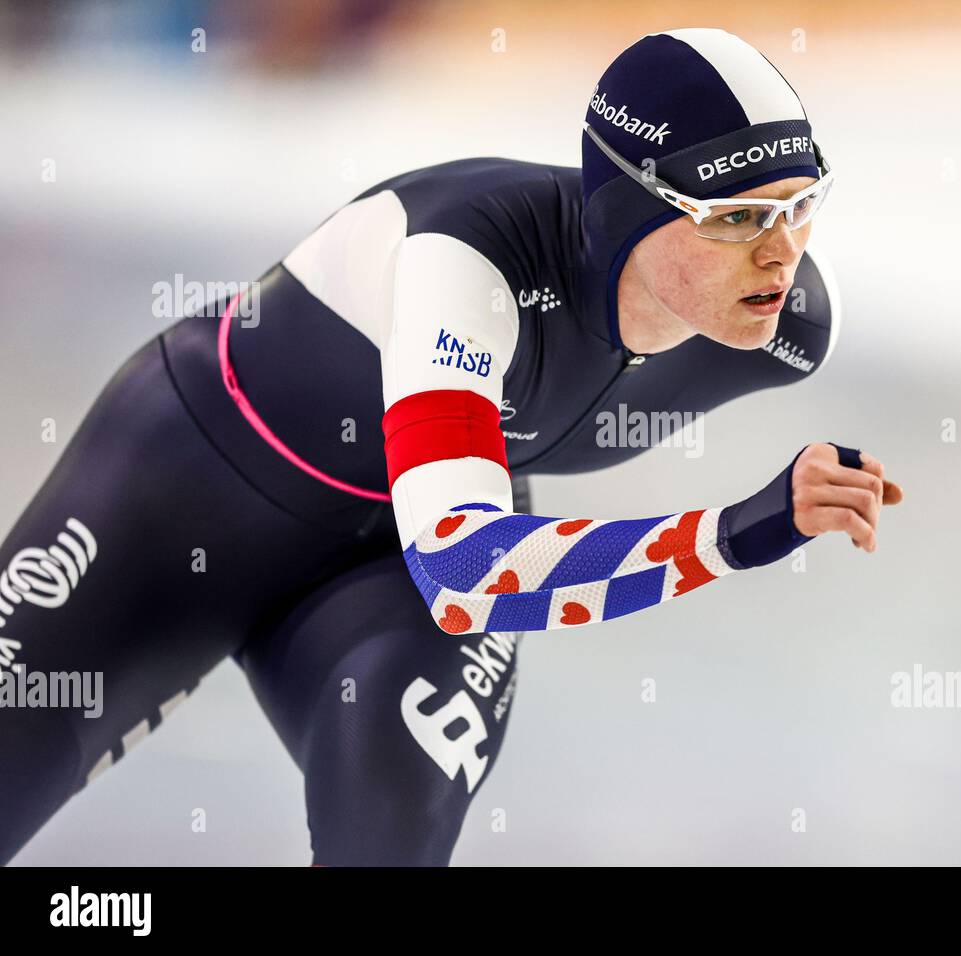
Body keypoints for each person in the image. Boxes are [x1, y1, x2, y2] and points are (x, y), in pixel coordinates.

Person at [0, 27, 900, 866]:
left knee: (391, 815)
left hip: (387, 563)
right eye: (736, 218)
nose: (781, 255)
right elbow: (466, 571)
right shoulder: (466, 258)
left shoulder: (789, 329)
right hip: (186, 494)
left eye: (802, 205)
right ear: (630, 205)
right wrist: (736, 531)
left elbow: (451, 551)